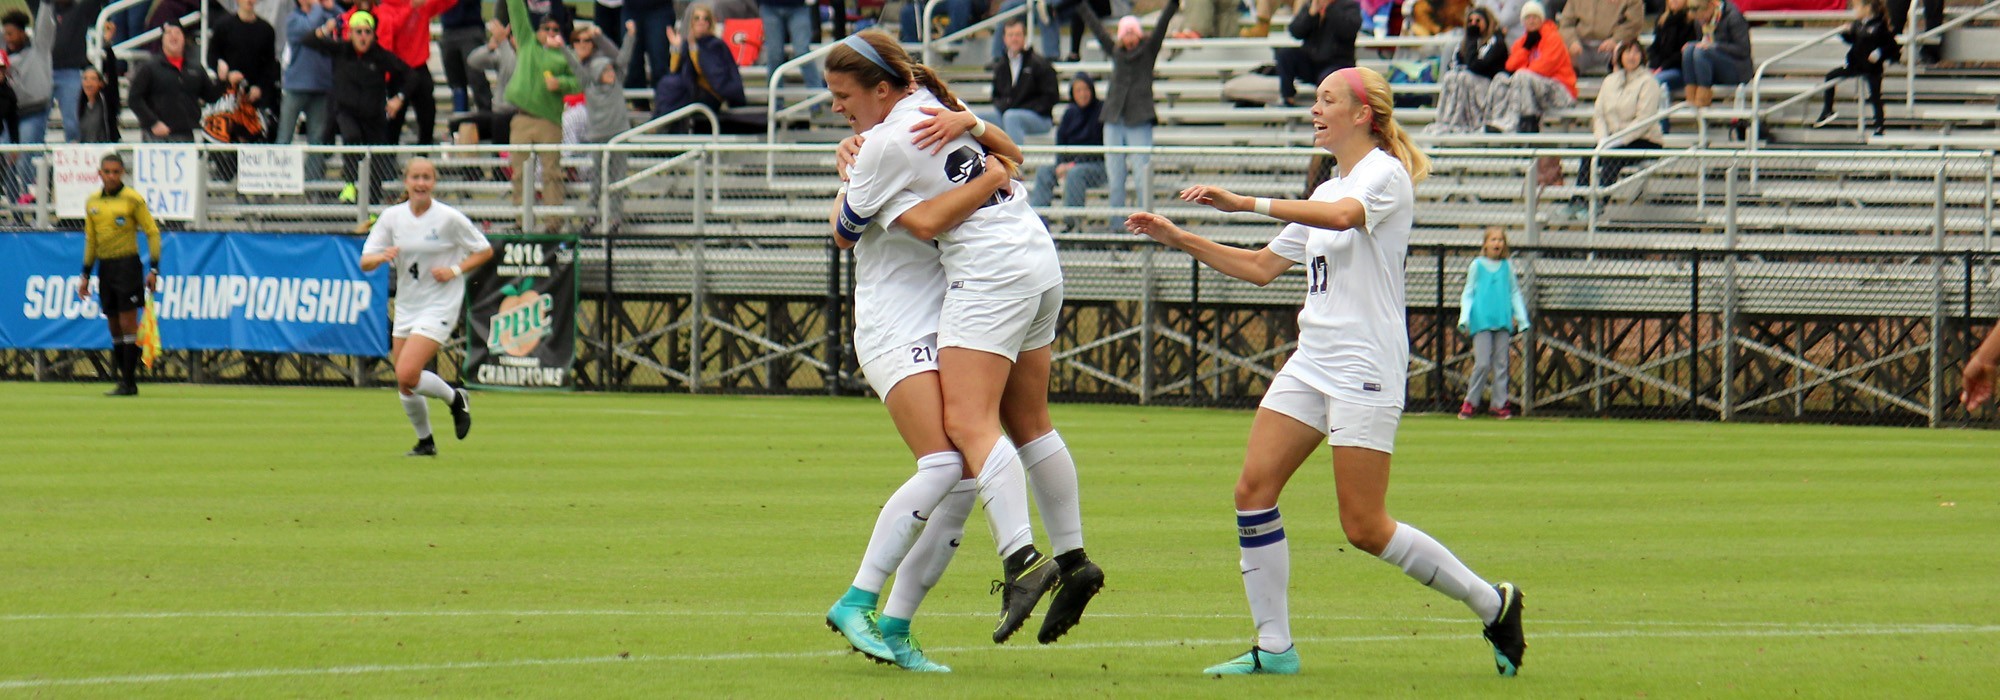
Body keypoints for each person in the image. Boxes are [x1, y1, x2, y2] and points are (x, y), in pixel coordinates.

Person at [1123, 66, 1526, 677]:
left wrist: (1242, 201)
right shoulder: (1328, 187)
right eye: (1314, 99)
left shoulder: (1384, 176)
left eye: (1327, 100)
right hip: (1313, 359)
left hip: (1366, 363)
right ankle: (1275, 648)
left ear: (1363, 114)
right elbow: (1261, 268)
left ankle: (1493, 604)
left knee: (1364, 526)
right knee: (1252, 491)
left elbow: (1342, 219)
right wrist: (1179, 237)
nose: (1316, 109)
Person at [825, 30, 1104, 658]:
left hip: (983, 281)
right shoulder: (927, 109)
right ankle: (1067, 558)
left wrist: (855, 172)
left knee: (964, 448)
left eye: (843, 95)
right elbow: (1005, 161)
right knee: (999, 442)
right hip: (1023, 265)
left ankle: (1010, 566)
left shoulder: (891, 141)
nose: (837, 108)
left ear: (879, 88)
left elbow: (864, 227)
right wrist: (990, 159)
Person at [357, 158, 491, 457]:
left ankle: (456, 399)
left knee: (407, 372)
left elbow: (484, 250)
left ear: (434, 183)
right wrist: (380, 258)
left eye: (427, 178)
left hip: (439, 304)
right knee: (405, 383)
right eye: (415, 177)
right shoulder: (392, 217)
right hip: (408, 305)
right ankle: (426, 442)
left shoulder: (448, 218)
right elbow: (365, 261)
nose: (421, 183)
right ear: (406, 181)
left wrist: (455, 270)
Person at [1081, 0, 1176, 231]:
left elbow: (1162, 24)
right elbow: (1097, 29)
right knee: (1116, 178)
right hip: (1114, 120)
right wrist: (1082, 7)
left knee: (1143, 178)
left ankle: (1146, 228)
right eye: (1126, 33)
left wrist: (1173, 4)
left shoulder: (1148, 51)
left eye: (1134, 33)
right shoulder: (1115, 52)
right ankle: (1116, 227)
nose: (1130, 38)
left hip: (1138, 120)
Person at [303, 11, 410, 204]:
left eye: (367, 32)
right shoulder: (342, 50)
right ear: (350, 33)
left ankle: (373, 200)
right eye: (358, 31)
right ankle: (350, 184)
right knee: (351, 138)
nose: (363, 36)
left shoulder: (380, 55)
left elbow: (411, 76)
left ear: (373, 35)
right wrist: (326, 28)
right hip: (347, 111)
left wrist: (399, 98)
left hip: (373, 115)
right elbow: (309, 40)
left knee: (375, 158)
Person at [76, 154, 162, 397]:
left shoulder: (132, 199)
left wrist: (154, 268)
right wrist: (85, 274)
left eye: (116, 172)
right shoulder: (92, 202)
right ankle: (123, 380)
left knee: (127, 322)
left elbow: (152, 232)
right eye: (107, 171)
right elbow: (91, 240)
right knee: (113, 324)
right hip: (106, 268)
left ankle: (129, 381)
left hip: (127, 266)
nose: (112, 176)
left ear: (122, 173)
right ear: (100, 173)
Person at [502, 0, 580, 221]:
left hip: (550, 121)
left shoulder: (565, 56)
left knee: (552, 173)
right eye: (546, 29)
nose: (551, 33)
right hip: (522, 118)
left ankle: (553, 224)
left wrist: (561, 83)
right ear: (539, 31)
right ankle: (521, 222)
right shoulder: (527, 44)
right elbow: (516, 11)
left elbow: (582, 81)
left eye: (555, 30)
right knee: (519, 173)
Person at [1566, 38, 1659, 218]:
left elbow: (1644, 120)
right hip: (1612, 139)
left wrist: (1618, 140)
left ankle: (1599, 202)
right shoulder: (1610, 81)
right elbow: (1599, 114)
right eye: (1628, 52)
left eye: (1636, 52)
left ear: (1642, 56)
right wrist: (1603, 139)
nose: (1632, 56)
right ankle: (1578, 200)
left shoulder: (1649, 82)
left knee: (1612, 158)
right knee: (1588, 155)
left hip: (1643, 139)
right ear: (1620, 56)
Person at [1457, 226, 1529, 419]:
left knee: (1501, 364)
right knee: (1482, 363)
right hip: (1482, 321)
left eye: (1500, 240)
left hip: (1502, 320)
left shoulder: (1507, 267)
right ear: (1485, 244)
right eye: (1493, 240)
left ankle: (1498, 404)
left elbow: (1514, 292)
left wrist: (1521, 318)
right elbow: (1469, 292)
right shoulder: (1477, 266)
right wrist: (1464, 317)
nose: (1497, 243)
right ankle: (1470, 402)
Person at [375, 0, 458, 146]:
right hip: (397, 70)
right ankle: (388, 163)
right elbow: (390, 28)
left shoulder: (422, 4)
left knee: (428, 116)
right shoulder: (385, 8)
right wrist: (410, 8)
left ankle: (423, 156)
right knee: (394, 122)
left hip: (419, 66)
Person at [1031, 72, 1106, 232]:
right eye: (1078, 90)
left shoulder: (1100, 111)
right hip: (1070, 164)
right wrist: (1061, 164)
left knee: (1075, 173)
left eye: (1085, 89)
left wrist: (1073, 164)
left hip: (1095, 165)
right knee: (1044, 172)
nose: (1083, 94)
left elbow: (1098, 146)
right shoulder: (1070, 113)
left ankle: (1072, 224)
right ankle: (1038, 223)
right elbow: (1061, 141)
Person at [1485, 1, 1573, 133]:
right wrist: (1526, 49)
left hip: (1560, 91)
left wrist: (1521, 72)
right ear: (1523, 22)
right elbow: (1510, 66)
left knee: (1522, 77)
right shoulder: (1522, 42)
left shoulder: (1553, 38)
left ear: (1542, 19)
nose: (1531, 21)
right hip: (1531, 89)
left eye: (1535, 17)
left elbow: (1545, 67)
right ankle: (1496, 120)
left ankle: (1526, 123)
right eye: (1528, 18)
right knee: (1500, 79)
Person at [128, 22, 223, 143]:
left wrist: (222, 81)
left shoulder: (196, 68)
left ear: (184, 38)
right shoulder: (149, 67)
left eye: (177, 32)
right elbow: (134, 99)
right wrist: (153, 123)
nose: (173, 36)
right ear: (162, 40)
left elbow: (210, 96)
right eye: (168, 33)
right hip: (156, 136)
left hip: (186, 134)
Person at [652, 2, 744, 125]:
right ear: (692, 23)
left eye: (705, 19)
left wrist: (694, 50)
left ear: (710, 23)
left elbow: (709, 73)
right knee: (668, 84)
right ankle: (661, 123)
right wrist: (676, 48)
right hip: (690, 91)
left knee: (673, 88)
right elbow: (674, 70)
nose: (701, 21)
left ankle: (660, 124)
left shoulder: (715, 45)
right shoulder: (687, 43)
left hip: (710, 94)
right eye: (697, 18)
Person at [281, 0, 340, 181]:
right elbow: (309, 28)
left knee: (317, 140)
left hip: (321, 87)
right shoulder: (293, 19)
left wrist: (330, 6)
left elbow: (343, 19)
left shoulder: (324, 14)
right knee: (285, 136)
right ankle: (278, 181)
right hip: (296, 86)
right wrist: (318, 7)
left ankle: (313, 184)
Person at [1424, 5, 1507, 134]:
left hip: (1488, 86)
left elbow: (1477, 66)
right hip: (1468, 82)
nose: (1473, 24)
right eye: (1470, 21)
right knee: (1451, 77)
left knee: (1464, 77)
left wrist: (1472, 40)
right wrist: (1471, 41)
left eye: (1478, 21)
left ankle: (1469, 124)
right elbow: (1453, 65)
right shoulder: (1463, 43)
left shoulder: (1496, 42)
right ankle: (1447, 121)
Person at [1816, 0, 1894, 136]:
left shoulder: (1880, 25)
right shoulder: (1858, 25)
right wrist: (1845, 33)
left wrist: (1879, 53)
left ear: (1867, 8)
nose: (1854, 10)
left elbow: (1891, 47)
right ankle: (1827, 110)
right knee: (1830, 76)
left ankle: (1879, 126)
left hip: (1872, 68)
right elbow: (1854, 40)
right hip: (1856, 65)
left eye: (1857, 7)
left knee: (1875, 96)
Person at [2, 7, 51, 203]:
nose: (8, 38)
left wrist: (46, 4)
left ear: (23, 32)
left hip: (34, 111)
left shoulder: (39, 48)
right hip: (10, 114)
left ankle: (32, 202)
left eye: (11, 34)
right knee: (6, 158)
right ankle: (15, 209)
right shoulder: (3, 55)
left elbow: (46, 25)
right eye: (5, 34)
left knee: (25, 160)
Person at [1273, 0, 1361, 109]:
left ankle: (1325, 107)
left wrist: (1329, 10)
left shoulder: (1349, 6)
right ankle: (1287, 97)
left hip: (1337, 63)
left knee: (1327, 77)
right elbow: (1295, 31)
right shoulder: (1311, 5)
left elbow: (1349, 31)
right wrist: (1311, 14)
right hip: (1310, 61)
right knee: (1285, 54)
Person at [983, 19, 1058, 142]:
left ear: (1024, 37)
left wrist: (1020, 107)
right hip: (1007, 113)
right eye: (1010, 35)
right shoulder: (1000, 66)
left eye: (1018, 35)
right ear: (1004, 39)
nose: (1014, 39)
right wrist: (1005, 106)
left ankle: (1013, 161)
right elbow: (996, 96)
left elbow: (1051, 97)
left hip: (1040, 118)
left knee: (1011, 117)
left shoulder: (1040, 64)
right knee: (976, 118)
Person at [49, 0, 108, 145]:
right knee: (36, 121)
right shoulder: (44, 9)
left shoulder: (81, 10)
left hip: (71, 72)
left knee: (73, 122)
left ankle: (75, 157)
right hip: (44, 73)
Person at [1680, 0, 1749, 109]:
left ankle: (1703, 99)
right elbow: (1701, 43)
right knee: (1689, 49)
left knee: (1701, 52)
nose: (1701, 21)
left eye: (1703, 17)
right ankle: (1691, 98)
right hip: (1710, 65)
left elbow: (1743, 50)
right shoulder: (1699, 21)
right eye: (1698, 19)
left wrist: (1715, 46)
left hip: (1736, 67)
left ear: (1711, 6)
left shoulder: (1733, 16)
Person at [209, 0, 280, 104]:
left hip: (254, 97)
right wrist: (227, 74)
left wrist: (260, 88)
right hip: (227, 96)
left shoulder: (266, 30)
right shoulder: (223, 26)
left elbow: (270, 65)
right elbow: (212, 56)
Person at [460, 18, 518, 143]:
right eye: (511, 35)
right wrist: (490, 46)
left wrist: (503, 43)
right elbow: (473, 61)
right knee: (464, 125)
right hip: (500, 114)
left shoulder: (529, 56)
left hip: (520, 114)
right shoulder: (504, 52)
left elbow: (511, 69)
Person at [1554, 0, 1639, 77]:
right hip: (1582, 47)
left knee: (1627, 54)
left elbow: (1634, 23)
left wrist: (1615, 39)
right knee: (1561, 61)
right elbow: (1566, 24)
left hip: (1613, 47)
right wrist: (1572, 42)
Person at [761, 0, 821, 101]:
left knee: (802, 52)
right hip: (769, 6)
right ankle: (775, 104)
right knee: (774, 55)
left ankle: (817, 102)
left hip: (799, 6)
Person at [438, 0, 489, 113]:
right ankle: (460, 119)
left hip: (470, 28)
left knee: (476, 77)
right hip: (448, 30)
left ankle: (486, 119)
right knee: (455, 82)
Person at [1647, 0, 1697, 96]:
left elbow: (1683, 54)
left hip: (1680, 70)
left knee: (1653, 82)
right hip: (1659, 68)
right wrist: (1654, 66)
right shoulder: (1662, 20)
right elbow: (1654, 47)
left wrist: (1662, 67)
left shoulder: (1691, 22)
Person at [78, 64, 122, 143]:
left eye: (93, 79)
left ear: (100, 83)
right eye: (85, 79)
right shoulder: (79, 106)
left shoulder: (107, 103)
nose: (89, 82)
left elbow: (113, 82)